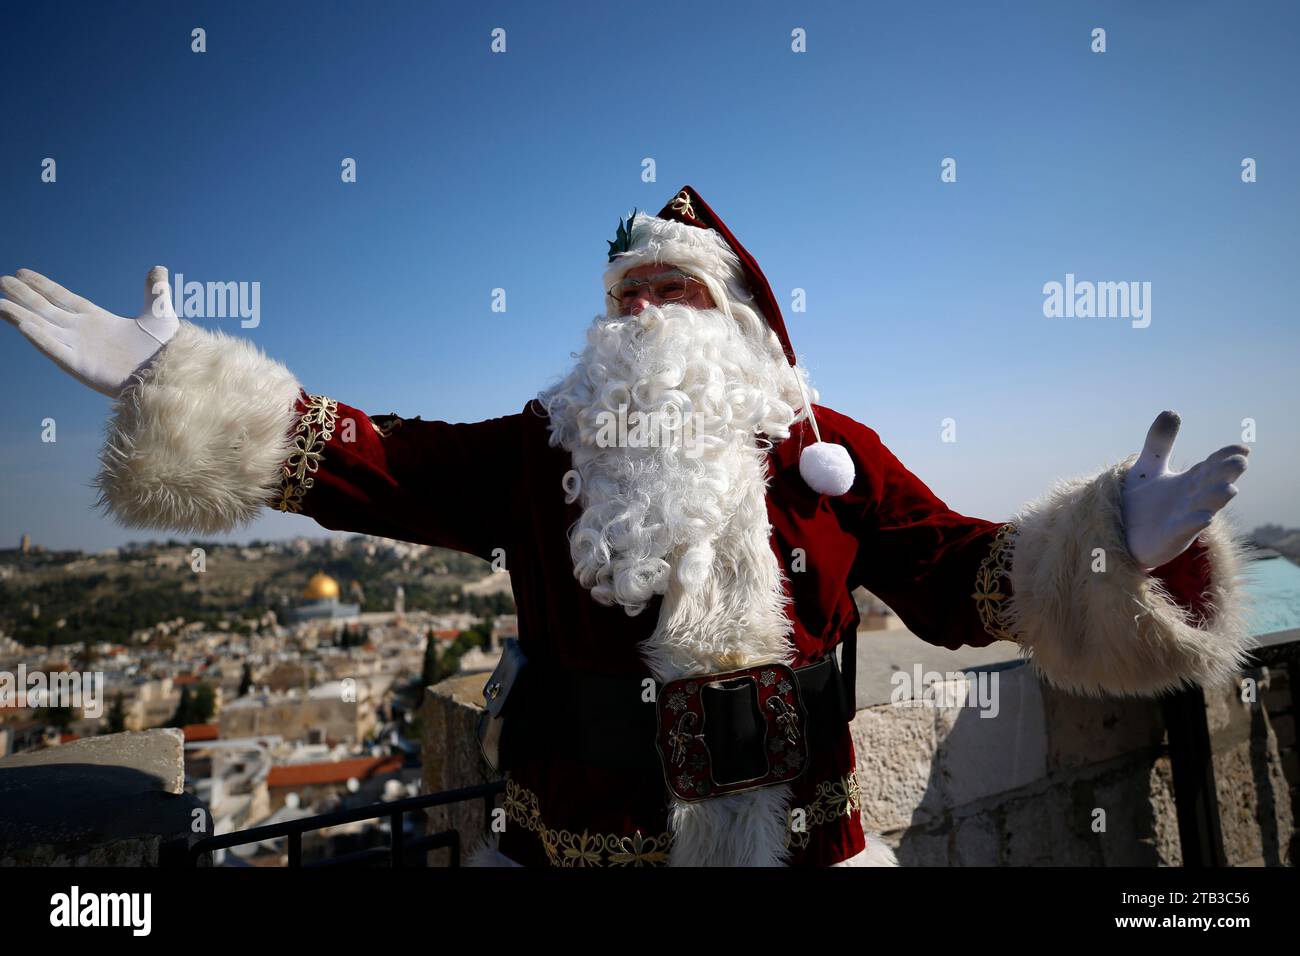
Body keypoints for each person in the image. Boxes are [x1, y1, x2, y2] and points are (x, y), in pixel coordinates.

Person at [1, 185, 1252, 867]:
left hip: (804, 847)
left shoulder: (828, 451)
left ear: (736, 320)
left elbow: (957, 572)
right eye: (625, 292)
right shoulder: (537, 447)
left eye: (673, 288)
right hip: (580, 852)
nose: (644, 309)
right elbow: (377, 461)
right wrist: (181, 382)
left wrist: (1110, 543)